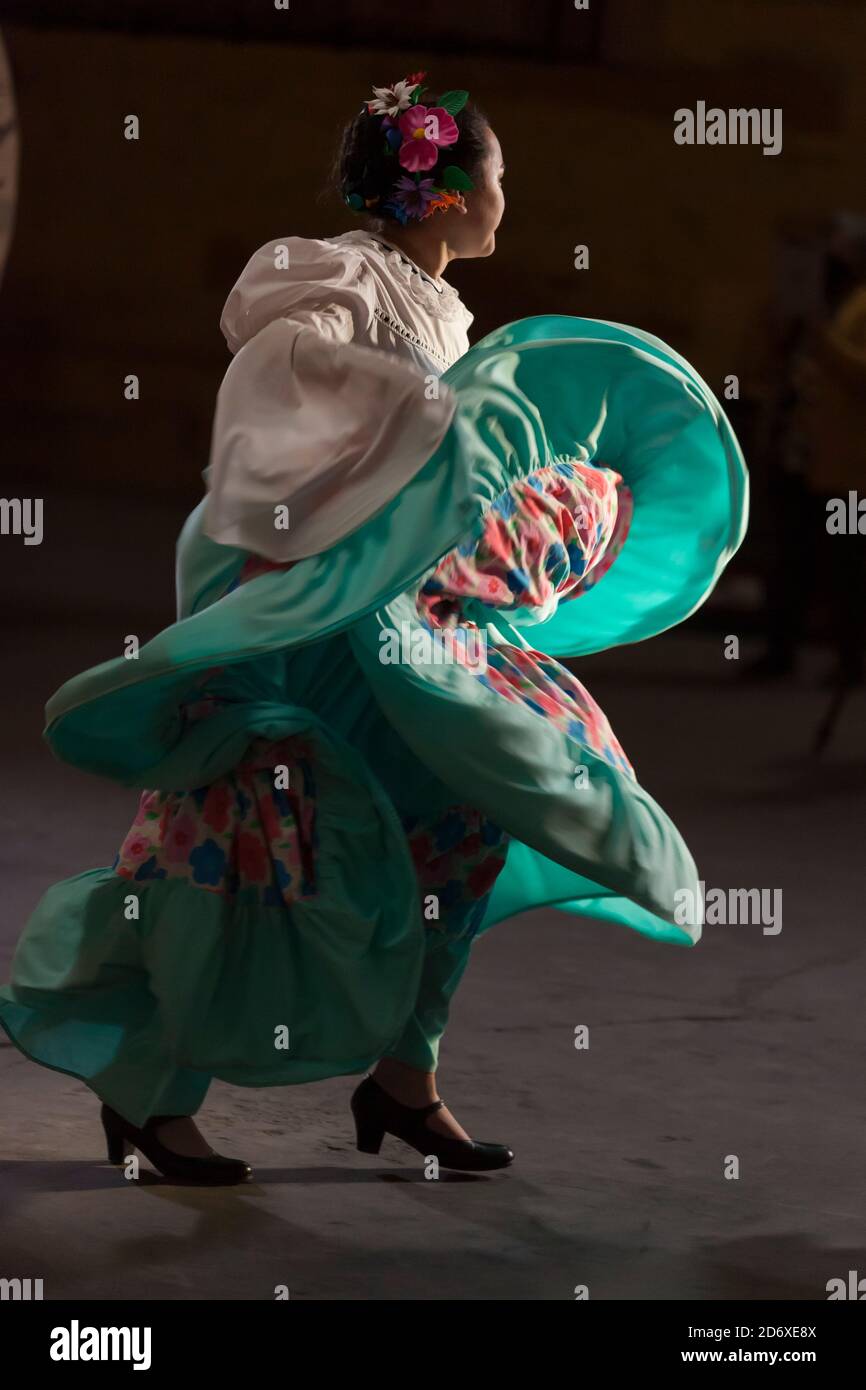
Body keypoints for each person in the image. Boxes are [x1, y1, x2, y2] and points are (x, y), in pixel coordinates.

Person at [0, 74, 748, 1183]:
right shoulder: (341, 276)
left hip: (422, 629)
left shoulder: (442, 306)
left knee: (462, 827)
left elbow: (462, 466)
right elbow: (280, 378)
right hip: (330, 630)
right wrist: (417, 430)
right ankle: (148, 1095)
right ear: (443, 191)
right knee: (253, 848)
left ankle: (405, 1082)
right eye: (498, 174)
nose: (509, 193)